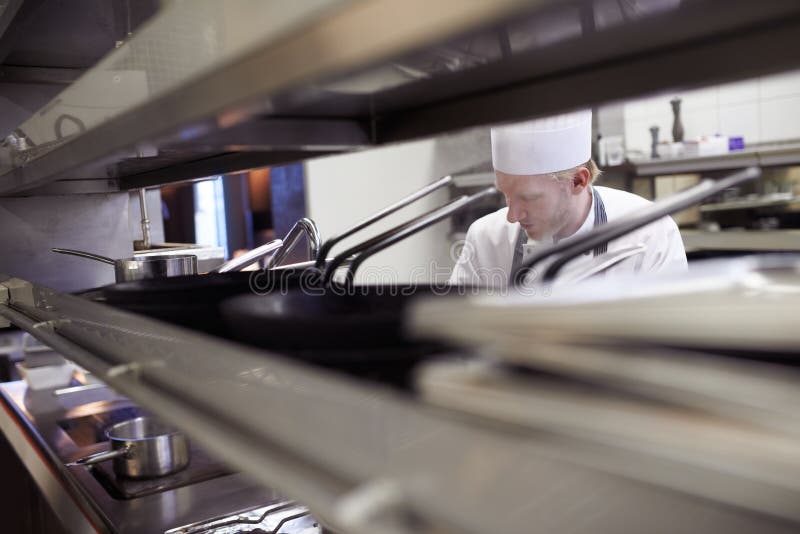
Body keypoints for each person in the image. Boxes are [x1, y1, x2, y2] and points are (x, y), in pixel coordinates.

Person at [450, 109, 687, 287]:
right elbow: (453, 334)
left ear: (578, 181)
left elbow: (674, 341)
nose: (512, 216)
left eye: (529, 198)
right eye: (506, 194)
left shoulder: (652, 233)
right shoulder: (485, 239)